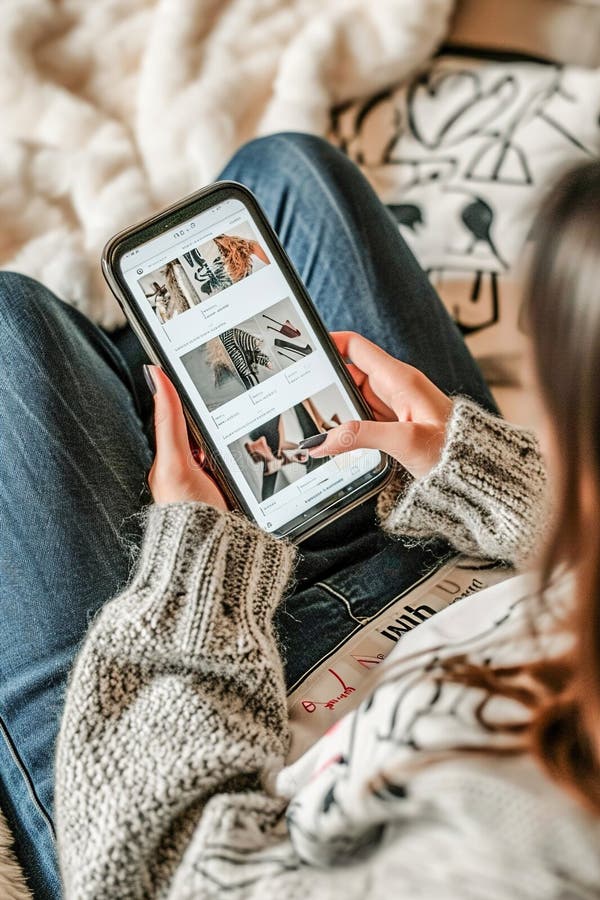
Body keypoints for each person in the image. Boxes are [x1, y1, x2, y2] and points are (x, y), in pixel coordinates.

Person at [1, 135, 599, 900]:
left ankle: (130, 384)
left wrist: (196, 574)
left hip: (226, 727)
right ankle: (135, 378)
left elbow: (163, 879)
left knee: (11, 327)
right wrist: (483, 475)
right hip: (445, 535)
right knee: (288, 171)